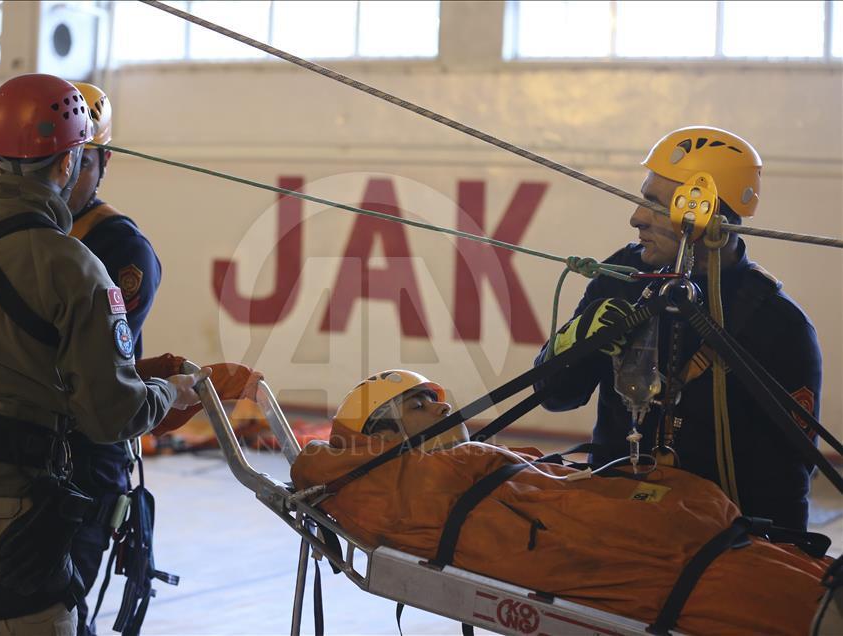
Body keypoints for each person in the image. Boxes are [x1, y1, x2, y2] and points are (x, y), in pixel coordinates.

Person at [0, 73, 207, 636]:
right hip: (3, 504)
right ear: (70, 162)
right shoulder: (77, 266)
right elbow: (109, 413)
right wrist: (170, 393)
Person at [291, 369, 833, 636]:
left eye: (439, 398)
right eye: (419, 403)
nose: (442, 407)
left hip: (697, 542)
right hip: (674, 567)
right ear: (381, 435)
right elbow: (326, 462)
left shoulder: (460, 475)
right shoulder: (386, 486)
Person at [535, 126, 821, 531]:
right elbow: (556, 397)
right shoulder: (623, 277)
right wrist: (575, 341)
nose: (636, 218)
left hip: (713, 543)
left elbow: (787, 484)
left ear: (701, 216)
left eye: (654, 205)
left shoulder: (777, 325)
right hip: (608, 522)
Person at [61, 81, 163, 636]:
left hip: (80, 460)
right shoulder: (13, 237)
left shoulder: (120, 250)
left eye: (79, 161)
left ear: (102, 161)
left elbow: (97, 375)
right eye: (56, 160)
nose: (63, 173)